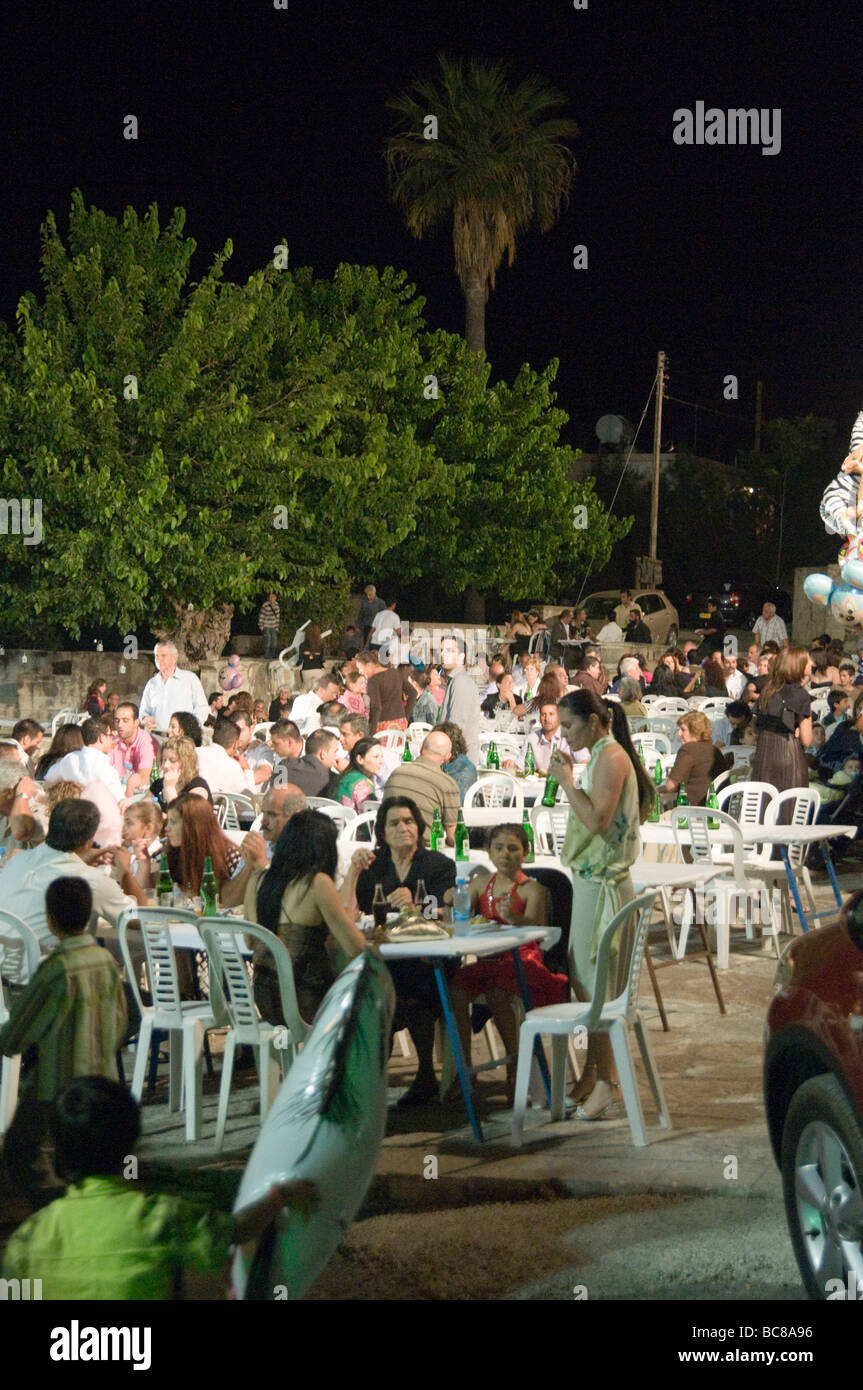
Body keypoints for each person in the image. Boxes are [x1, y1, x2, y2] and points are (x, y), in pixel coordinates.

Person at [1, 1077, 318, 1297]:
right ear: (131, 1145)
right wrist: (278, 1196)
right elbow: (234, 1231)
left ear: (59, 1156)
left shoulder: (29, 1237)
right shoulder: (157, 1217)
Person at [0, 880, 128, 1209]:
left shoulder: (55, 971)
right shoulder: (105, 961)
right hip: (102, 1080)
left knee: (21, 1149)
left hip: (56, 1084)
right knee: (102, 1161)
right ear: (88, 915)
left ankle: (58, 1209)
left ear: (50, 919)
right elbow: (121, 1020)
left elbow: (18, 1032)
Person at [554, 690, 650, 1121]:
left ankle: (608, 1083)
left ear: (595, 721)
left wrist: (566, 783)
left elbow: (597, 820)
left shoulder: (610, 758)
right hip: (592, 882)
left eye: (570, 725)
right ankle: (594, 1072)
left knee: (599, 992)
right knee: (587, 983)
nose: (564, 734)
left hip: (604, 884)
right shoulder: (601, 754)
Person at [341, 797, 456, 1107]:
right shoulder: (373, 865)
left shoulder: (438, 865)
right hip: (386, 956)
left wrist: (417, 904)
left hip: (431, 958)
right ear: (382, 831)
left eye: (408, 821)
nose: (403, 827)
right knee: (370, 990)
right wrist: (352, 872)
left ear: (418, 827)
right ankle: (372, 1080)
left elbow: (446, 914)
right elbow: (348, 913)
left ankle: (423, 1075)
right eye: (394, 823)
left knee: (408, 986)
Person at [449, 824, 568, 1102]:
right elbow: (461, 900)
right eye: (498, 848)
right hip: (489, 958)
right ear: (489, 853)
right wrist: (451, 897)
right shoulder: (482, 884)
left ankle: (516, 1065)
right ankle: (464, 1067)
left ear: (525, 853)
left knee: (496, 995)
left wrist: (515, 919)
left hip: (523, 960)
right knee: (453, 990)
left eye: (513, 848)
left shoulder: (532, 889)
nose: (505, 854)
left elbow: (535, 926)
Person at [245, 810, 368, 1026]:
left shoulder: (258, 881)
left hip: (266, 1000)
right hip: (307, 1000)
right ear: (325, 849)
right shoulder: (317, 882)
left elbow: (249, 940)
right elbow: (354, 947)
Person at [219, 785, 309, 908]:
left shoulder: (309, 847)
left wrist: (262, 863)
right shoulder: (260, 842)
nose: (263, 821)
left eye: (272, 814)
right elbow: (228, 901)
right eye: (263, 813)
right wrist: (249, 865)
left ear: (295, 817)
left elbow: (290, 905)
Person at [751, 646, 813, 793]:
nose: (812, 663)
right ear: (798, 665)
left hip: (764, 755)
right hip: (788, 755)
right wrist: (796, 728)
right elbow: (807, 740)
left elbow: (758, 724)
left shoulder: (768, 690)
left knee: (764, 806)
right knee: (787, 808)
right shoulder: (801, 696)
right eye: (808, 660)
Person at [383, 730, 460, 844]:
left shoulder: (396, 774)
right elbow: (453, 836)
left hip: (389, 847)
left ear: (421, 747)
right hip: (423, 851)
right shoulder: (447, 784)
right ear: (447, 757)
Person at [165, 794, 241, 897]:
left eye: (173, 822)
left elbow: (236, 899)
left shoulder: (229, 856)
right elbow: (151, 892)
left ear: (193, 826)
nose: (167, 828)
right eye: (168, 822)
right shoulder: (170, 851)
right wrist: (144, 862)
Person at [42, 718, 125, 804]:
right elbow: (119, 802)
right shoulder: (107, 771)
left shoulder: (70, 759)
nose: (112, 739)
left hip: (71, 810)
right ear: (102, 738)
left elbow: (49, 778)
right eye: (110, 736)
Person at [661, 712, 733, 806]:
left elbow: (671, 787)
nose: (679, 734)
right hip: (717, 810)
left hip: (691, 812)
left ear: (695, 731)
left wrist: (653, 790)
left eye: (683, 730)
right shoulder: (715, 750)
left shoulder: (688, 750)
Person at [139, 641, 209, 730]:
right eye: (156, 656)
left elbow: (202, 708)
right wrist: (144, 718)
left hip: (182, 739)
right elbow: (143, 711)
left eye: (163, 656)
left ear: (174, 658)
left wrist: (189, 729)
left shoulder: (190, 679)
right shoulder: (151, 683)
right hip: (156, 738)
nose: (158, 659)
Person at [195, 717, 262, 796]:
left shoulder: (194, 752)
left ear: (212, 737)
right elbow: (249, 799)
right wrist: (246, 769)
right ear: (235, 744)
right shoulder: (233, 766)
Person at [272, 728, 341, 797]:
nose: (337, 756)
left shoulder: (284, 766)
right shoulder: (332, 780)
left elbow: (274, 796)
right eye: (335, 752)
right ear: (323, 754)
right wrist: (346, 772)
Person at [356, 648, 411, 733]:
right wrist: (405, 716)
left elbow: (376, 708)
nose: (360, 672)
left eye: (360, 668)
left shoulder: (373, 680)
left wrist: (371, 733)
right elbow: (413, 693)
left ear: (369, 665)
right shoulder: (395, 673)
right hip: (401, 723)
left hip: (384, 726)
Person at [150, 735, 211, 810]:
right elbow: (142, 809)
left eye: (173, 761)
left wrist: (170, 789)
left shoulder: (197, 787)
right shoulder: (159, 784)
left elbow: (187, 819)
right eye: (164, 760)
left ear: (186, 762)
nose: (165, 765)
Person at [108, 702, 157, 796]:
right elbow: (103, 769)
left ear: (136, 723)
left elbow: (144, 775)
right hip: (117, 792)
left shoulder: (146, 740)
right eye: (117, 721)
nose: (120, 725)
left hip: (142, 795)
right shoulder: (114, 741)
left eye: (125, 720)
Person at [0, 762, 44, 851]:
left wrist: (22, 796)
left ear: (8, 793)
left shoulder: (39, 809)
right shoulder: (3, 811)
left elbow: (21, 832)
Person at [332, 737, 383, 813]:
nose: (381, 761)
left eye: (382, 757)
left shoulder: (346, 776)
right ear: (360, 759)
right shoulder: (363, 785)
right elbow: (368, 819)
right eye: (376, 757)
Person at [818, 690, 863, 774]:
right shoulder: (844, 727)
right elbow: (825, 754)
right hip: (838, 773)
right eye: (859, 709)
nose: (861, 714)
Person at [369, 597, 401, 662]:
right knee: (384, 664)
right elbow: (399, 632)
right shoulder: (395, 616)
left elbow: (372, 631)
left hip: (374, 643)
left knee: (373, 663)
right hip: (385, 645)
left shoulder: (378, 614)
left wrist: (367, 644)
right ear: (394, 605)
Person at [299, 622, 326, 691]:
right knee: (318, 690)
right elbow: (322, 660)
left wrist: (295, 665)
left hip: (306, 669)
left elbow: (300, 660)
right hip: (318, 669)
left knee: (305, 689)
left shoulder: (303, 645)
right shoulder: (321, 645)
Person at [258, 592, 281, 659]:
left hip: (273, 625)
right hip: (266, 625)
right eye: (270, 597)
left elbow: (277, 617)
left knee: (274, 641)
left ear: (275, 598)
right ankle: (266, 654)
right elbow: (261, 615)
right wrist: (261, 625)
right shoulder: (265, 605)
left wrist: (277, 626)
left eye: (273, 597)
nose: (272, 598)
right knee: (267, 640)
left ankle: (272, 654)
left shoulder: (276, 605)